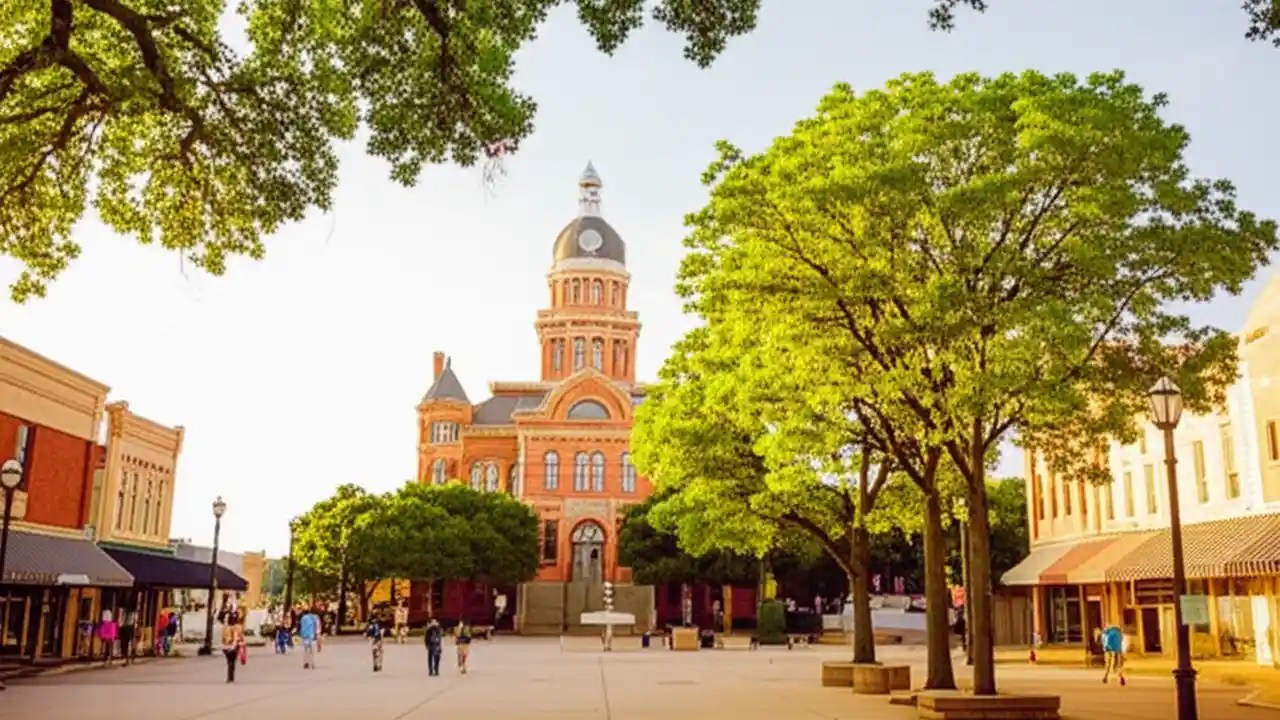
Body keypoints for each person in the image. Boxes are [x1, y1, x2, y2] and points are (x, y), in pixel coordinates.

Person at [221, 613, 245, 683]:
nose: (226, 619)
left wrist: (232, 646)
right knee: (231, 662)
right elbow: (223, 638)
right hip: (229, 646)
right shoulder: (231, 627)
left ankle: (230, 677)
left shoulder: (231, 627)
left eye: (226, 618)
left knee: (230, 662)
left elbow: (236, 637)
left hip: (230, 646)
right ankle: (230, 677)